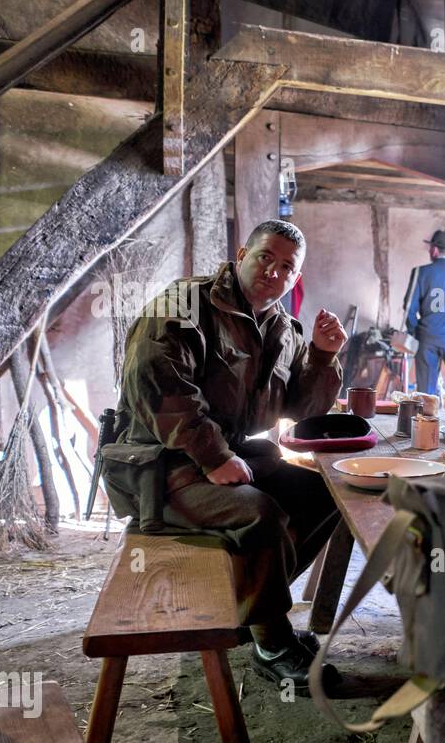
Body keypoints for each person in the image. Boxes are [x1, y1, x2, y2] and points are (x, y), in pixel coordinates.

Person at [103, 219, 348, 696]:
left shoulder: (280, 325)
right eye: (265, 258)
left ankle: (253, 603)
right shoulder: (185, 305)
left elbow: (300, 408)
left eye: (286, 268)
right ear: (241, 254)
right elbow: (157, 384)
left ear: (296, 278)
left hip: (228, 456)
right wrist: (213, 457)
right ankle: (271, 641)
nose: (273, 273)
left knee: (323, 493)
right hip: (161, 466)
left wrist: (321, 355)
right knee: (260, 513)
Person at [404, 229, 445, 396]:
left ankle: (428, 421)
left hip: (427, 337)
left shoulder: (420, 272)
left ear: (434, 250)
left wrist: (414, 332)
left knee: (426, 394)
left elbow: (409, 309)